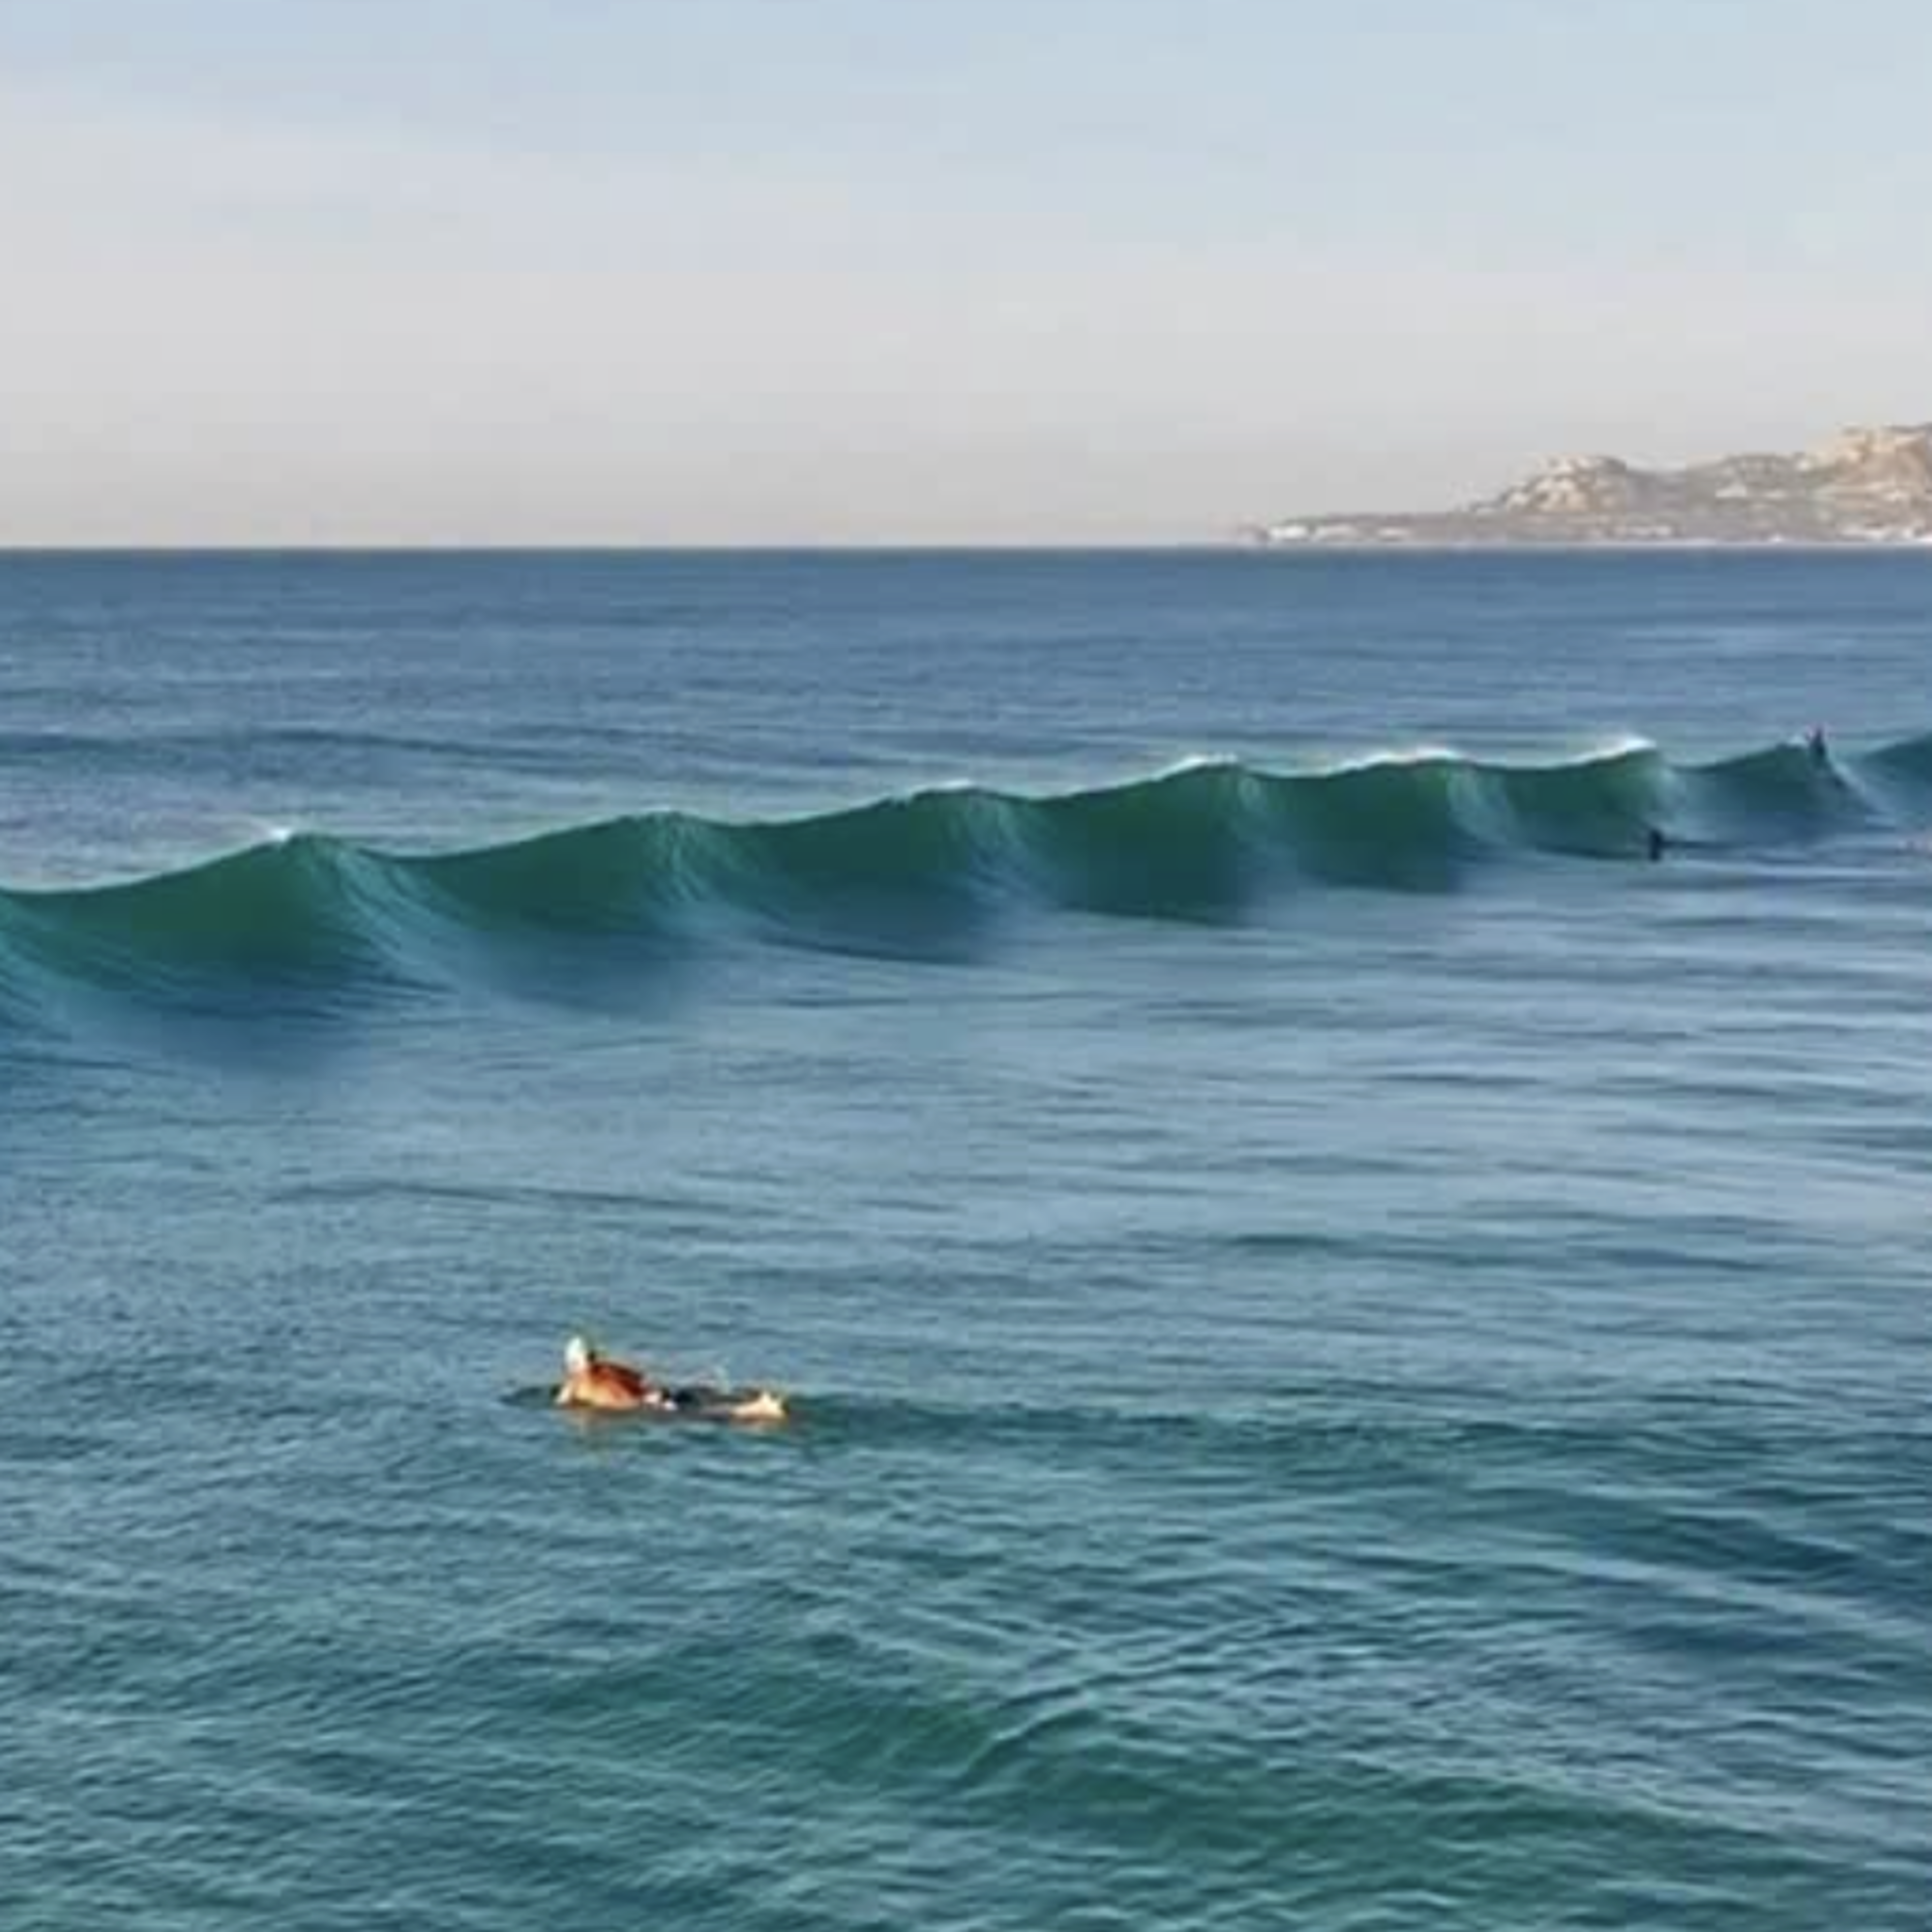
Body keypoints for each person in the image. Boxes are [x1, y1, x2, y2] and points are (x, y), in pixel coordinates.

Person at [554, 1335, 787, 1422]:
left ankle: (759, 1408)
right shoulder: (608, 1368)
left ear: (574, 1363)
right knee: (702, 1403)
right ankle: (755, 1402)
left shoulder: (576, 1384)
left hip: (646, 1409)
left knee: (704, 1416)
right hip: (657, 1395)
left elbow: (561, 1405)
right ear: (593, 1356)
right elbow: (640, 1378)